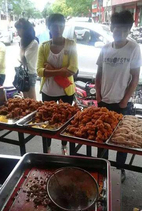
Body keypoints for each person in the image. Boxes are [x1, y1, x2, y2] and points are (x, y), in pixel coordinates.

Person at [95, 10, 142, 182]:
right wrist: (98, 97)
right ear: (112, 28)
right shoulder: (106, 48)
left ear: (129, 29)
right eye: (116, 29)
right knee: (102, 138)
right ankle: (103, 166)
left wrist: (124, 101)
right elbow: (99, 74)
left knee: (121, 141)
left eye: (124, 29)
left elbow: (135, 77)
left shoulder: (133, 48)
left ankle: (119, 169)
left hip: (121, 104)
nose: (120, 33)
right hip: (104, 102)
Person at [37, 13, 78, 155]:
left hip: (66, 91)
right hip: (47, 92)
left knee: (65, 121)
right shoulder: (43, 46)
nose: (58, 29)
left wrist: (51, 70)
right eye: (54, 26)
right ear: (49, 27)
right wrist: (61, 71)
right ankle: (47, 149)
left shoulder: (71, 44)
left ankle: (63, 147)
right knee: (47, 122)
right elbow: (39, 71)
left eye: (61, 25)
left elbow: (72, 70)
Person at [15, 18, 39, 99]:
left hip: (30, 74)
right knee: (25, 99)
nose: (17, 32)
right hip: (23, 73)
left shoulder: (34, 43)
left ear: (26, 30)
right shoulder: (24, 42)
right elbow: (21, 59)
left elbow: (24, 58)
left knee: (32, 100)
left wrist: (21, 47)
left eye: (19, 29)